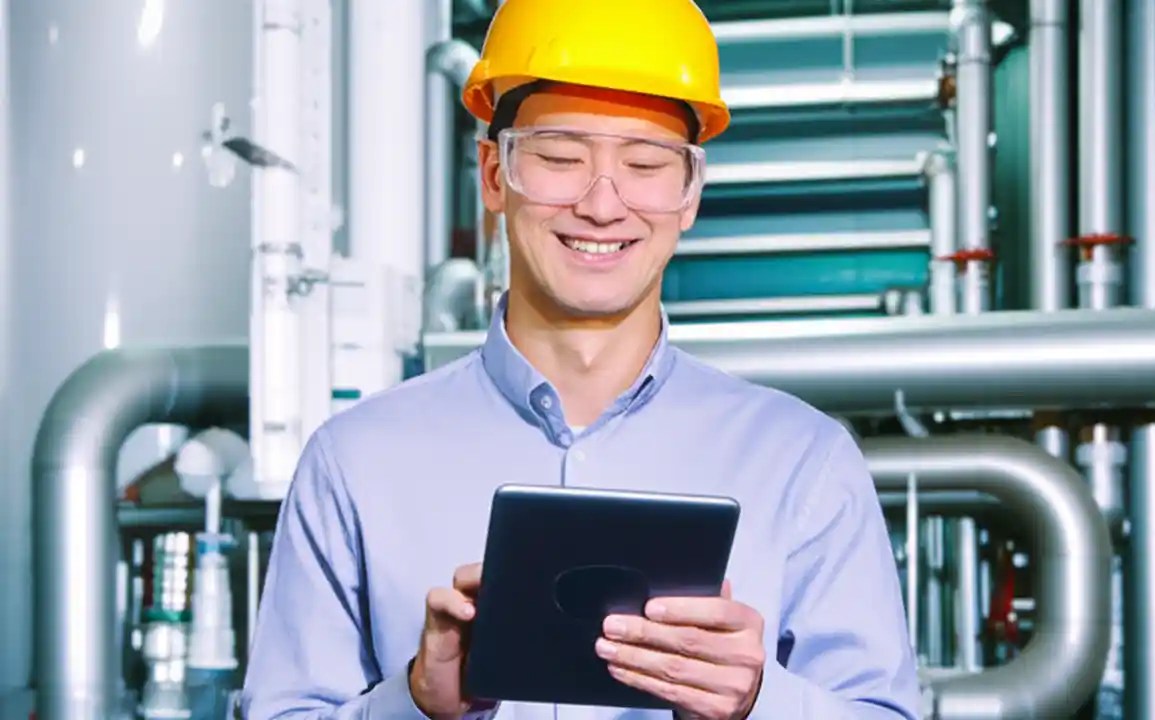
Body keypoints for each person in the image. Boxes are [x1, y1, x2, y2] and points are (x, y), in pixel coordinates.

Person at [240, 0, 921, 718]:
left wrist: (758, 702)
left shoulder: (803, 463)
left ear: (691, 193)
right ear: (493, 175)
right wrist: (414, 705)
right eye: (561, 158)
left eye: (646, 163)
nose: (602, 204)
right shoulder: (354, 464)